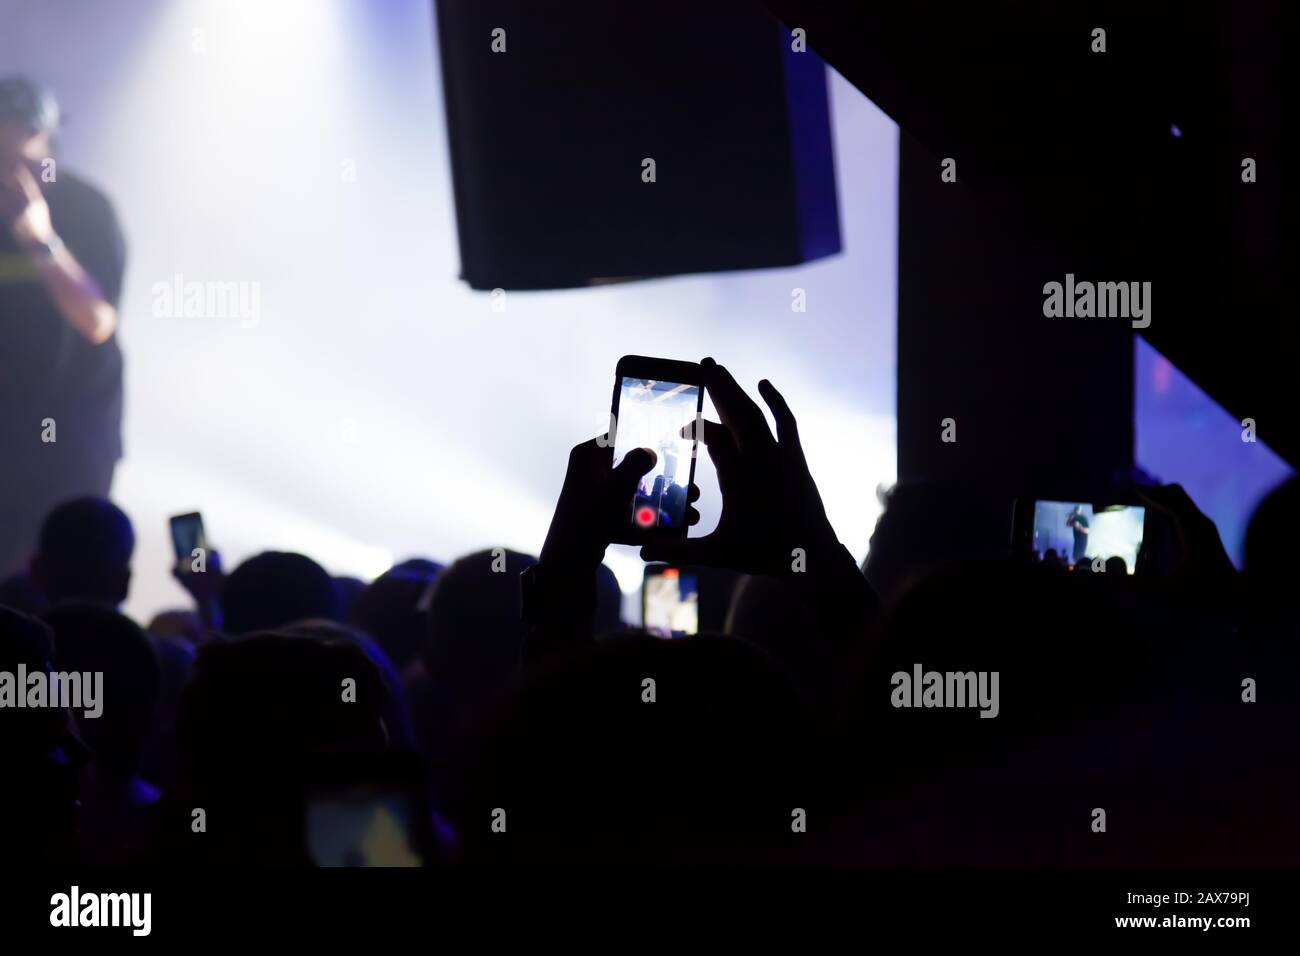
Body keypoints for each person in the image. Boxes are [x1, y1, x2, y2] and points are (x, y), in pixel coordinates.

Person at [0, 76, 127, 576]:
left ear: (46, 144)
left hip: (67, 448)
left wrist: (40, 239)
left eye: (20, 150)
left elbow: (97, 320)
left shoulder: (85, 209)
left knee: (61, 592)